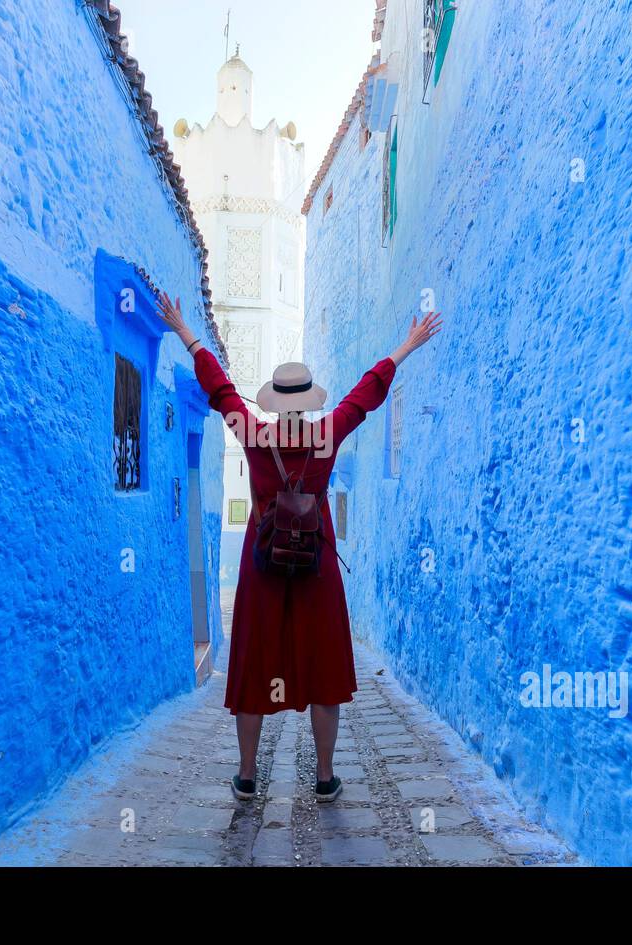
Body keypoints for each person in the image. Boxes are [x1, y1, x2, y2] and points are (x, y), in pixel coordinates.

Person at [157, 291, 442, 802]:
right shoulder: (327, 434)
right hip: (315, 563)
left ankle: (247, 776)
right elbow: (365, 395)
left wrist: (185, 331)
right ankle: (324, 776)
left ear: (273, 401)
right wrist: (407, 346)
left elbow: (219, 389)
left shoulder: (253, 433)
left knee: (253, 663)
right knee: (324, 665)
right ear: (308, 402)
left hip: (263, 563)